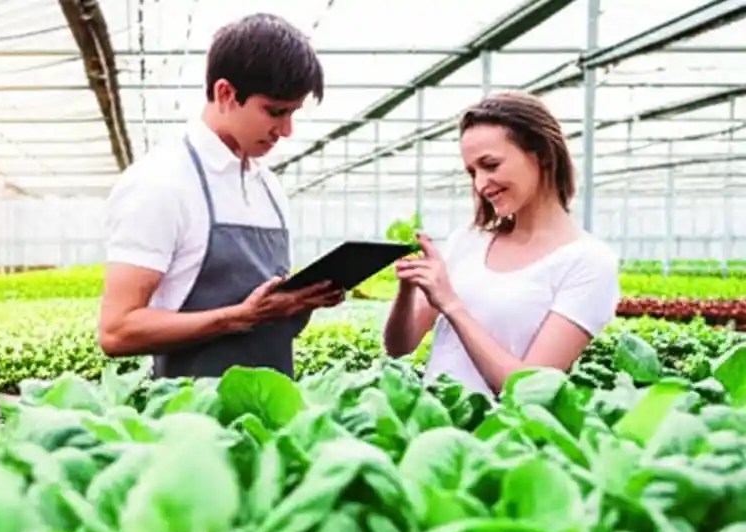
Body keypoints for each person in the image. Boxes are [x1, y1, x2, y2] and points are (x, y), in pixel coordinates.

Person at [96, 13, 345, 379]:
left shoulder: (268, 187)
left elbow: (270, 328)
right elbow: (116, 331)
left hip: (271, 419)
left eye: (293, 113)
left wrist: (297, 304)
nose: (286, 130)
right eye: (275, 112)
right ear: (225, 93)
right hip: (192, 421)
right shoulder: (161, 183)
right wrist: (238, 318)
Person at [383, 91, 621, 396]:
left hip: (501, 440)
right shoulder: (466, 242)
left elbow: (527, 389)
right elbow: (399, 348)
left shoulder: (588, 262)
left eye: (491, 165)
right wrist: (408, 289)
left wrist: (452, 305)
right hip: (433, 430)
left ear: (543, 155)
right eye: (472, 172)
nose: (481, 185)